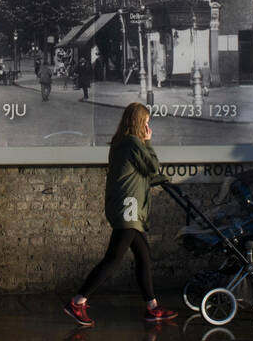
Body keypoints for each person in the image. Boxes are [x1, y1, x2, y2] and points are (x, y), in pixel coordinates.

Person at [64, 102, 178, 326]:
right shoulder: (134, 143)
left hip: (126, 205)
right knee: (114, 258)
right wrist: (149, 142)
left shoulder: (120, 142)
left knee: (143, 256)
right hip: (129, 207)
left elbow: (136, 174)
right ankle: (77, 301)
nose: (148, 125)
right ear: (138, 122)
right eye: (146, 121)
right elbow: (152, 167)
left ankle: (152, 307)